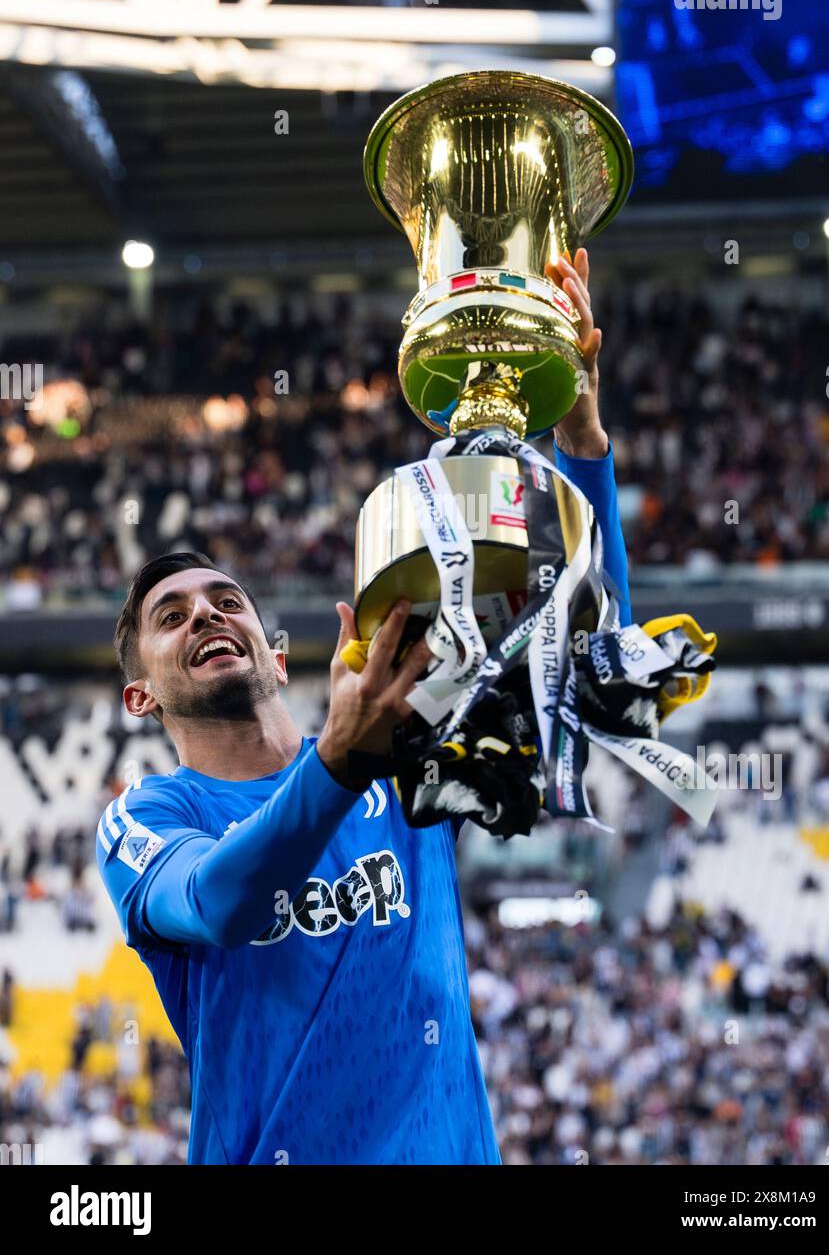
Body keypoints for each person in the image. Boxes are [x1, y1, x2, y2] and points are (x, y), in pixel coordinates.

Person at [95, 248, 631, 1165]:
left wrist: (580, 442)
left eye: (227, 603)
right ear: (140, 691)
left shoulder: (402, 757)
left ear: (276, 649)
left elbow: (580, 667)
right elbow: (220, 901)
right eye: (170, 617)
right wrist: (337, 766)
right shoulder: (147, 819)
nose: (205, 617)